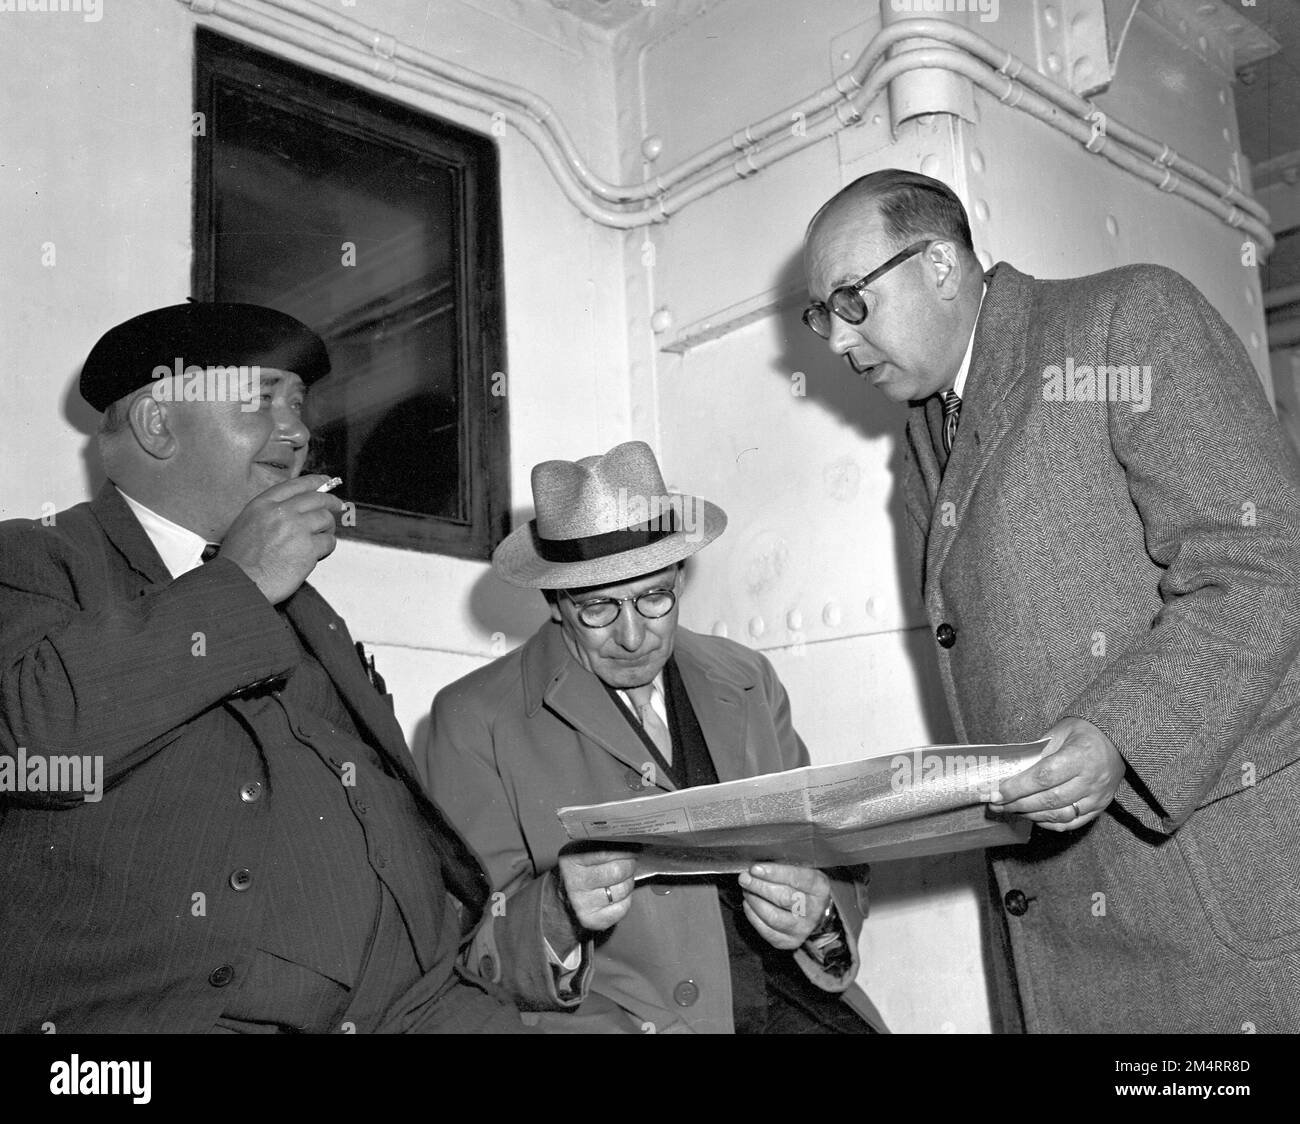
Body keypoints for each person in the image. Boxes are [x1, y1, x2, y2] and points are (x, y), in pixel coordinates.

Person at [802, 168, 1300, 1033]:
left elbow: (1261, 563)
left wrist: (1118, 735)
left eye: (852, 302)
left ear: (942, 265)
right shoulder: (922, 440)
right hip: (1069, 943)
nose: (838, 343)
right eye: (822, 317)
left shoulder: (1127, 321)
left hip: (1215, 919)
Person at [0, 302, 525, 1033]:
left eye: (299, 405)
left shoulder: (314, 614)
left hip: (416, 1008)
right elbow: (35, 739)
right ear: (158, 423)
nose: (298, 431)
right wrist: (240, 584)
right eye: (261, 400)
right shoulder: (36, 559)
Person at [419, 440, 887, 1034]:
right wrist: (559, 911)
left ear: (681, 579)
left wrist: (816, 911)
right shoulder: (472, 718)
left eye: (654, 597)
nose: (633, 636)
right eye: (598, 608)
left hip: (801, 1006)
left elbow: (829, 853)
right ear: (555, 601)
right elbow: (460, 950)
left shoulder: (747, 678)